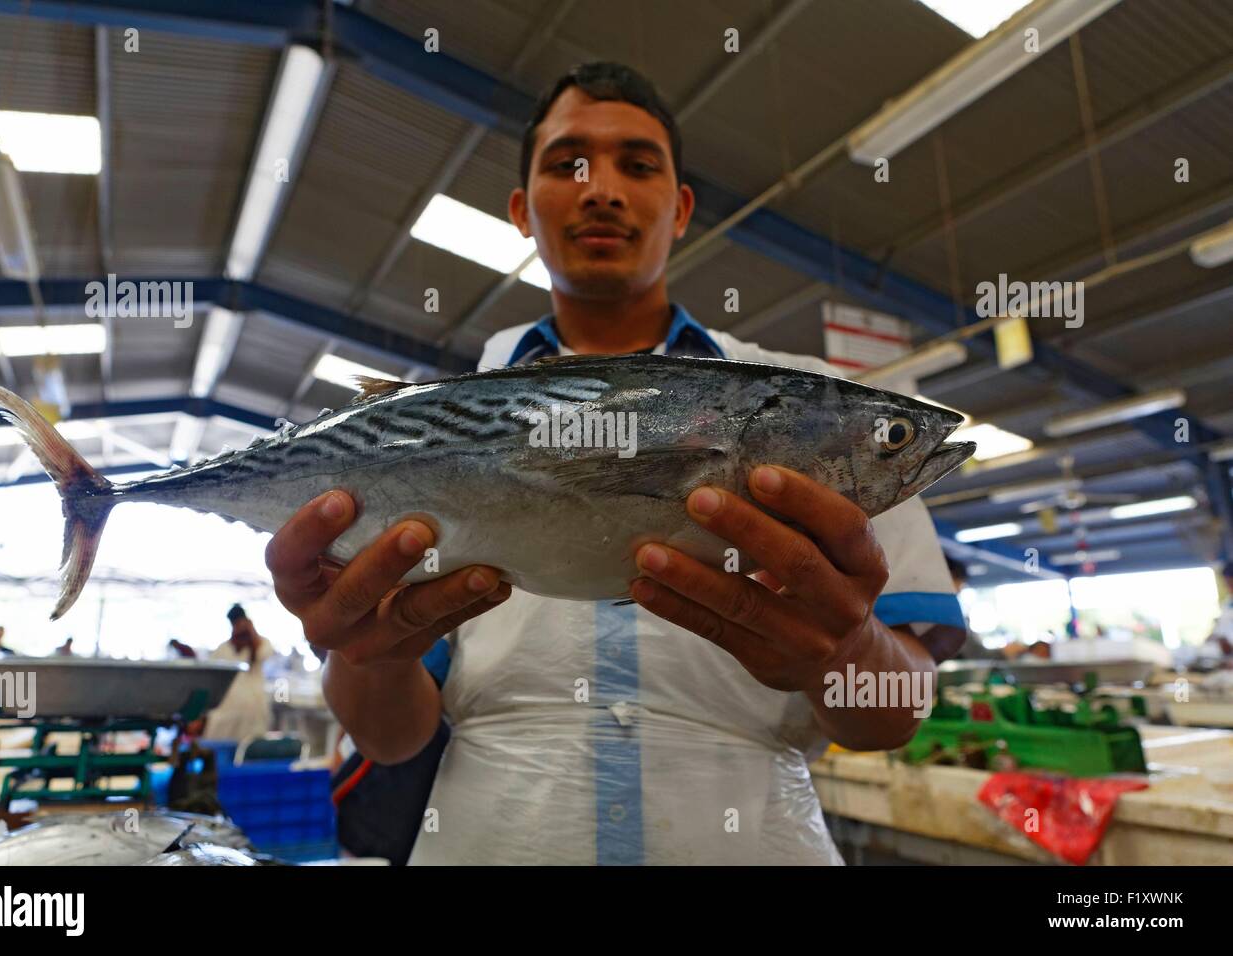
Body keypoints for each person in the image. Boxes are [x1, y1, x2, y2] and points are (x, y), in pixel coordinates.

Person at [264, 63, 966, 865]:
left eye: (638, 164)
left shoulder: (828, 411)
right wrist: (365, 649)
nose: (601, 188)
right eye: (568, 164)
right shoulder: (418, 428)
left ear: (682, 207)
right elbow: (392, 740)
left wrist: (846, 653)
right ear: (522, 211)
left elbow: (895, 715)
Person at [202, 604, 275, 741]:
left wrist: (252, 633)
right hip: (227, 710)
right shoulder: (223, 649)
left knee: (249, 749)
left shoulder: (260, 644)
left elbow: (264, 653)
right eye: (235, 624)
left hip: (253, 710)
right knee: (221, 748)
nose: (239, 628)